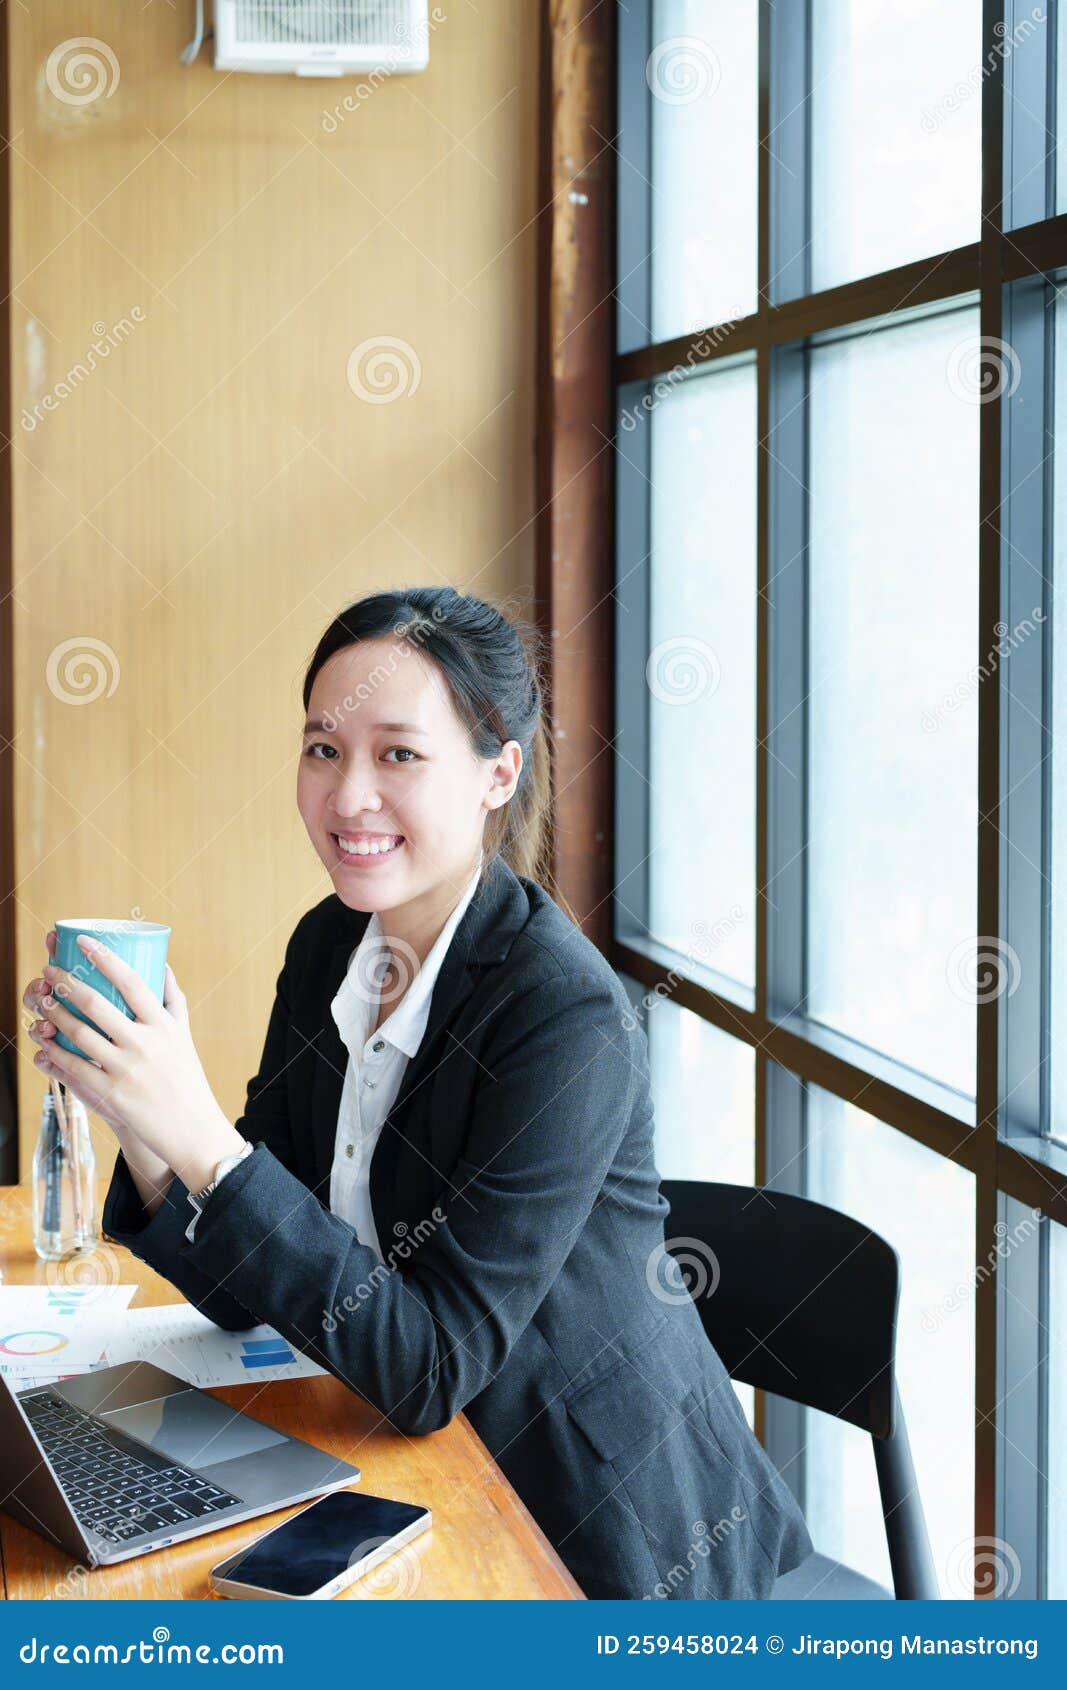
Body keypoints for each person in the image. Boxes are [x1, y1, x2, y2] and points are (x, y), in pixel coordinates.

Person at [23, 585, 813, 1599]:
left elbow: (429, 1366)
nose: (348, 796)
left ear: (496, 773)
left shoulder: (560, 1015)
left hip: (600, 1533)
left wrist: (204, 1138)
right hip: (413, 1477)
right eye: (322, 749)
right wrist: (142, 1118)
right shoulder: (329, 945)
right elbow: (242, 1287)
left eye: (398, 754)